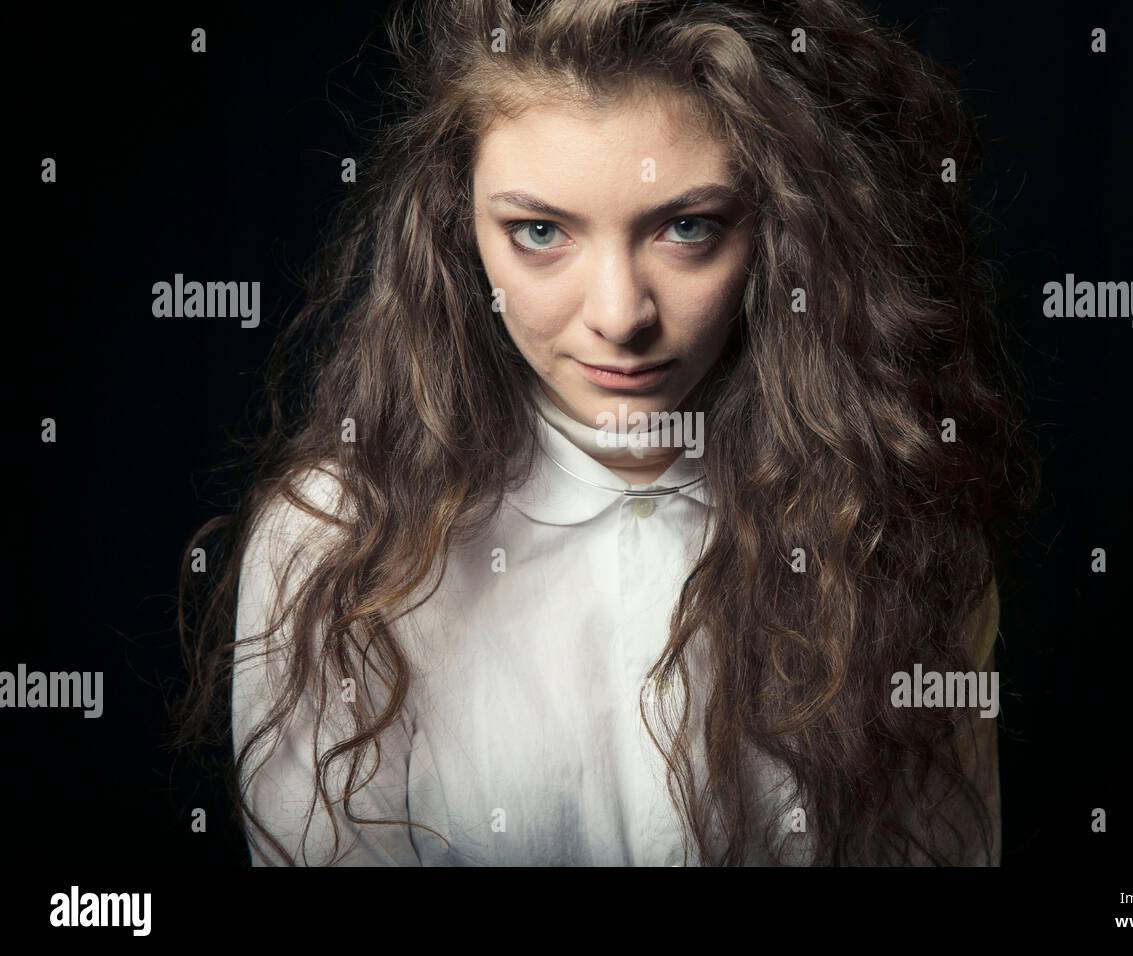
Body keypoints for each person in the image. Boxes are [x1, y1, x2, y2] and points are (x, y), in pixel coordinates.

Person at [175, 0, 1039, 866]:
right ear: (455, 228)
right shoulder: (335, 542)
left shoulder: (892, 522)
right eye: (540, 233)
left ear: (782, 231)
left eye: (687, 227)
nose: (621, 317)